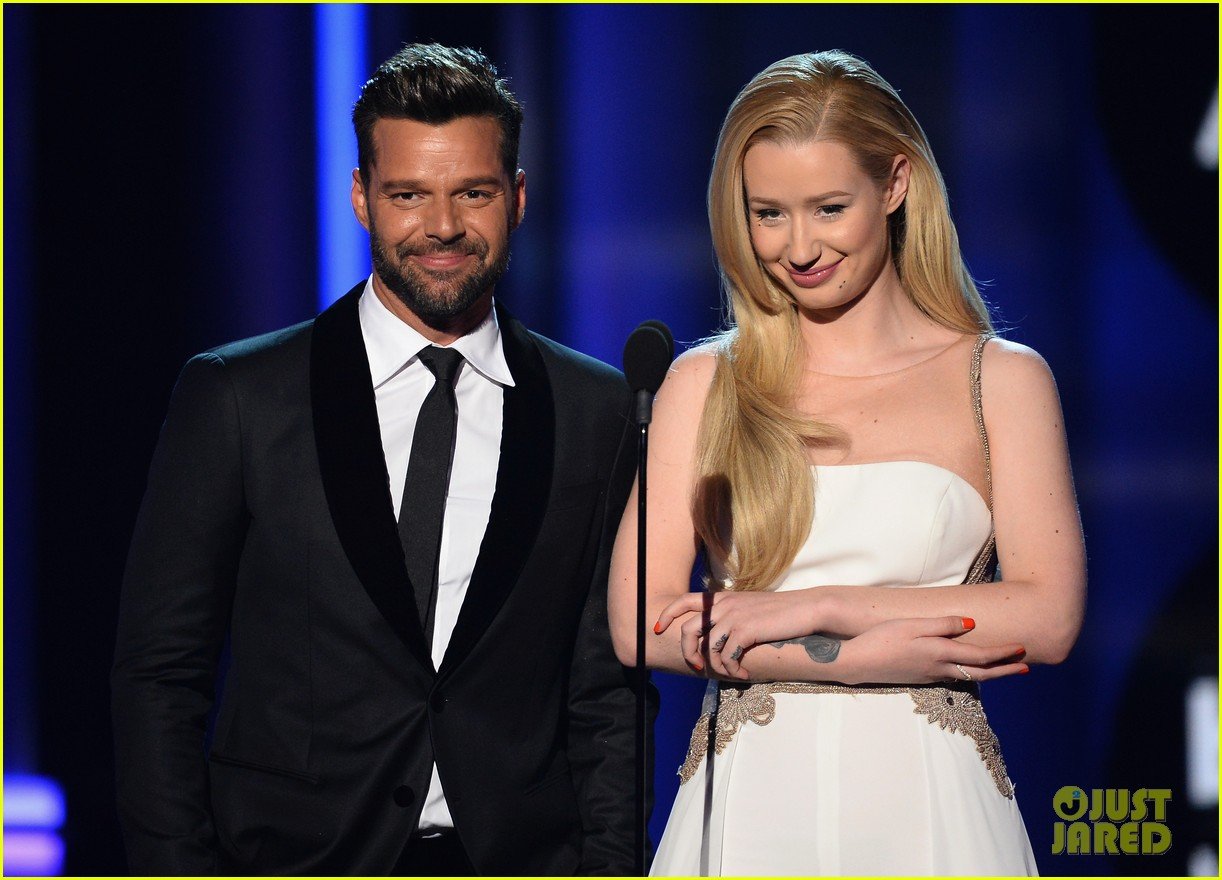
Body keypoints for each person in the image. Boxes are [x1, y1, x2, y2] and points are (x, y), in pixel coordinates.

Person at [112, 43, 647, 876]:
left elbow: (607, 693)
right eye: (408, 194)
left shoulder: (597, 411)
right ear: (362, 197)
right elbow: (158, 674)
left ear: (517, 197)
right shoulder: (238, 397)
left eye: (472, 193)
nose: (441, 226)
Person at [609, 50, 1086, 876]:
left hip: (933, 810)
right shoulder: (704, 382)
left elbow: (1046, 618)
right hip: (747, 807)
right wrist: (855, 657)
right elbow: (637, 623)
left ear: (895, 185)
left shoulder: (1001, 379)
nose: (798, 247)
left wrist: (808, 608)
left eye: (829, 208)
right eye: (769, 214)